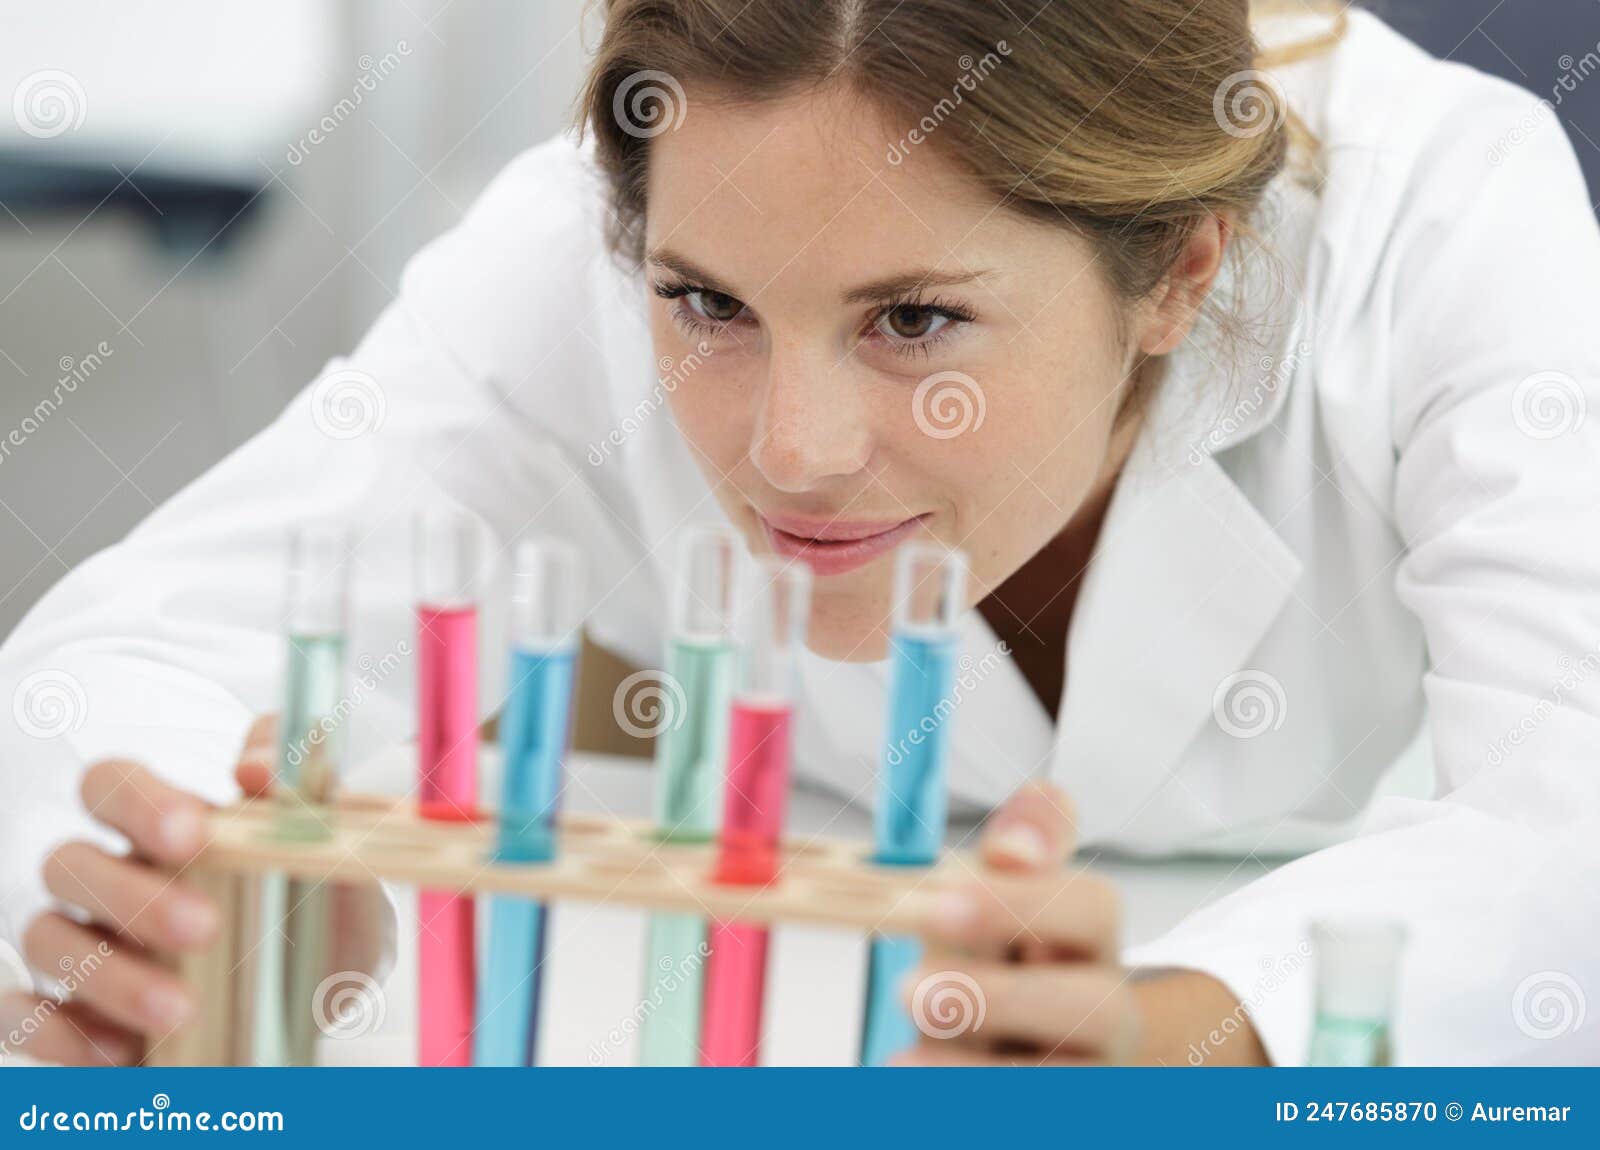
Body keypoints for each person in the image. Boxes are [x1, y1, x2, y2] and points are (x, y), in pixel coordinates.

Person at [2, 0, 1597, 1066]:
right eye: (708, 306)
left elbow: (1573, 810)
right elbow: (130, 649)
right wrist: (195, 895)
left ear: (1184, 270)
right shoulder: (588, 247)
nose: (790, 452)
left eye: (914, 320)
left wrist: (1197, 1030)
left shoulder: (1447, 219)